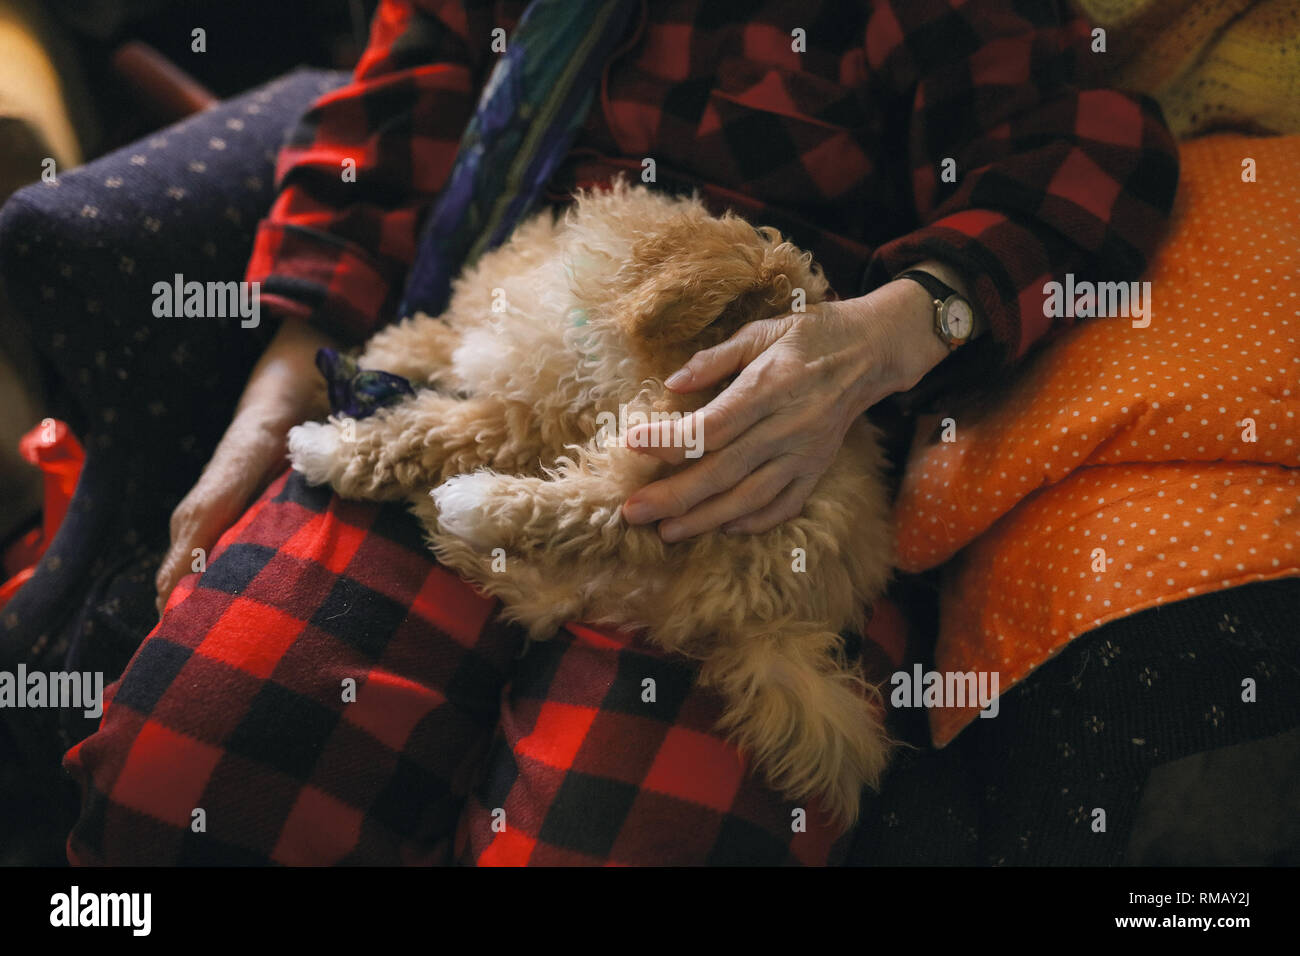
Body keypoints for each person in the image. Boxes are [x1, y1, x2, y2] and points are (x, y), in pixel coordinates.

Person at [57, 0, 1187, 865]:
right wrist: (264, 420)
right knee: (183, 777)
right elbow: (381, 140)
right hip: (486, 361)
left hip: (768, 464)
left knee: (612, 837)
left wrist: (888, 334)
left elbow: (1083, 161)